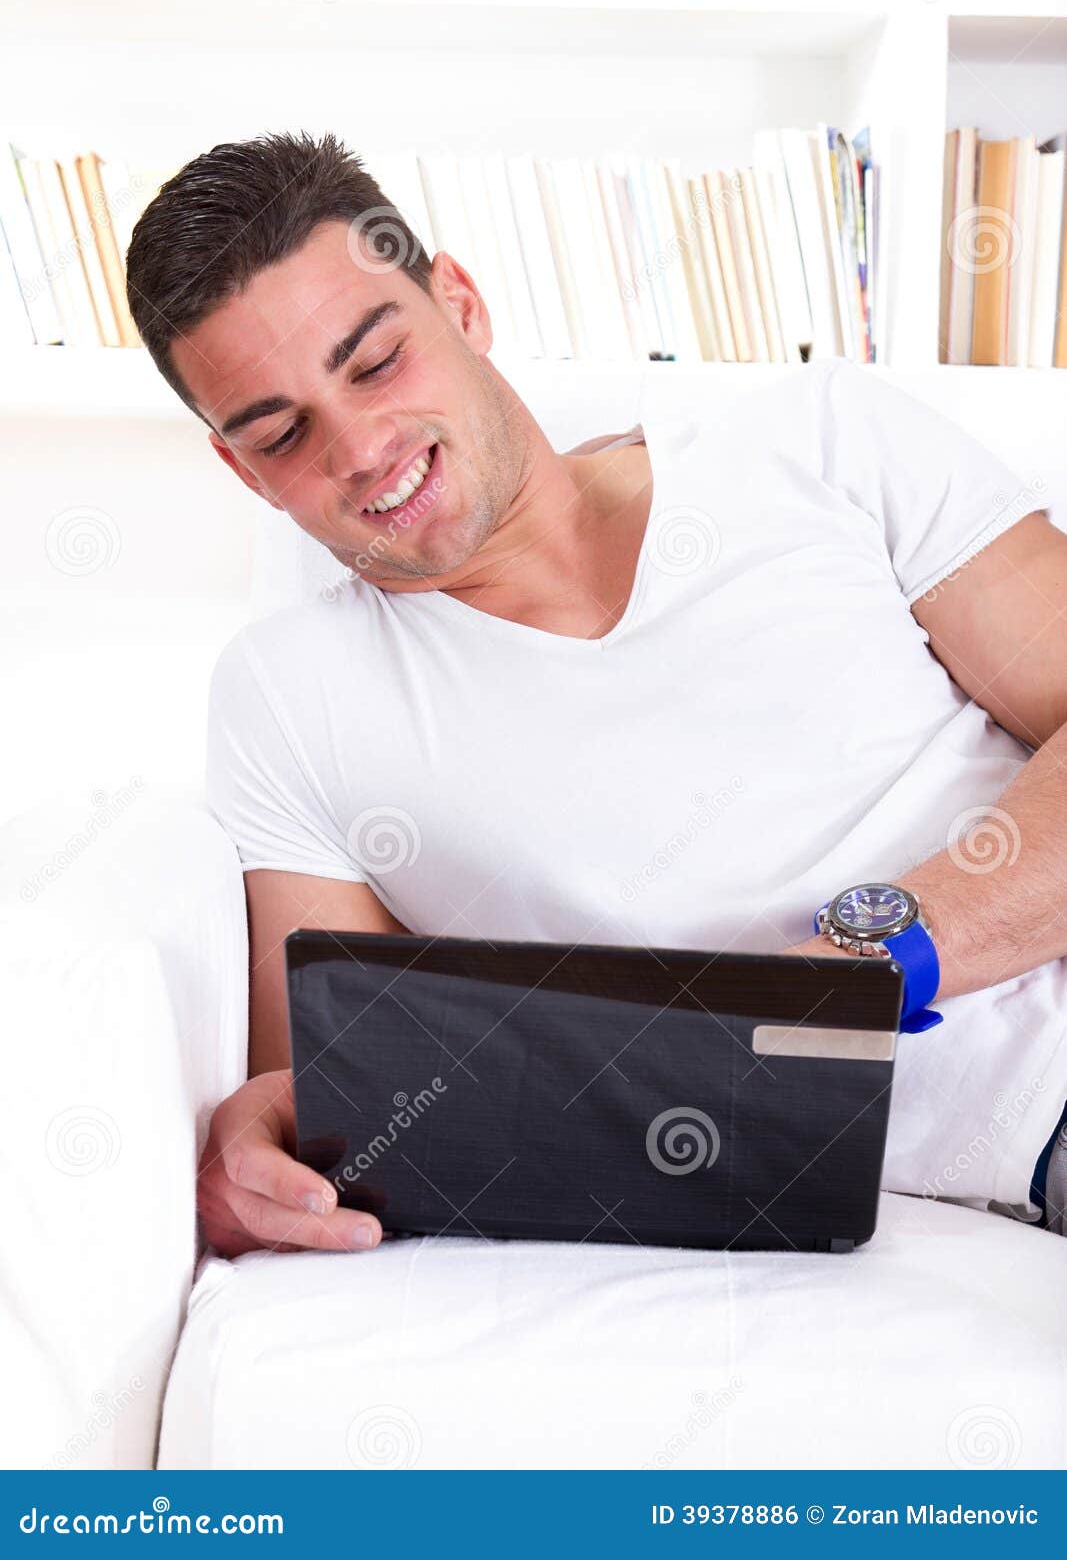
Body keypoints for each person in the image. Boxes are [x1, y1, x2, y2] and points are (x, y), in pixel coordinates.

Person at [125, 130, 1067, 1258]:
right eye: (281, 434)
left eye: (375, 363)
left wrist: (861, 970)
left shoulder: (816, 441)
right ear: (239, 469)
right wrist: (256, 1137)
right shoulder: (289, 699)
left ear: (459, 304)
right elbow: (336, 1081)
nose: (362, 449)